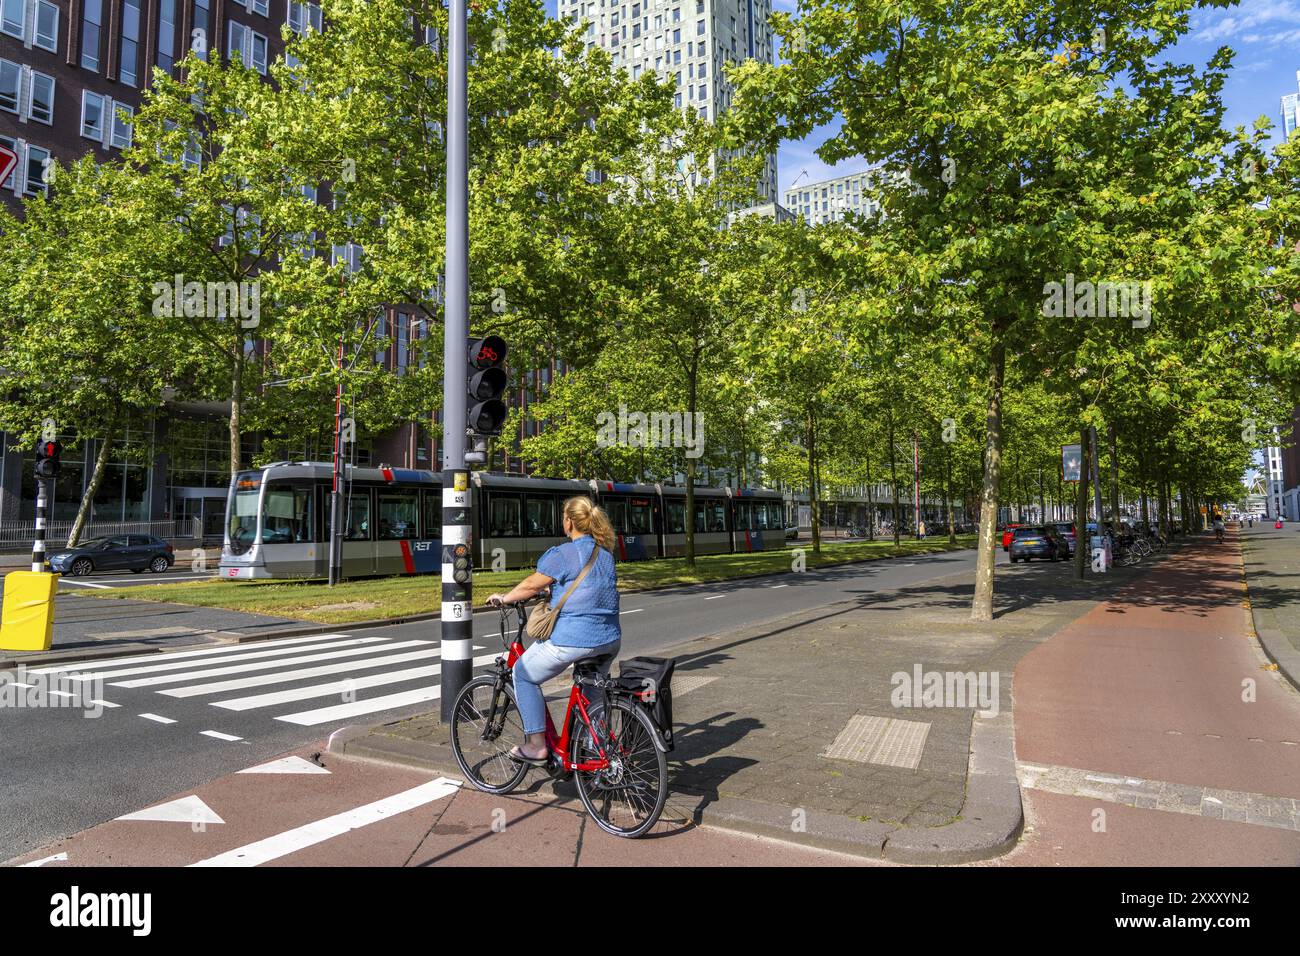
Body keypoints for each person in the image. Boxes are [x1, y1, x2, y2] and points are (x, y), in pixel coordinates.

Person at [485, 496, 621, 766]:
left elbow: (529, 585)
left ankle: (536, 746)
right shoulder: (604, 554)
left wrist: (505, 597)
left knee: (523, 673)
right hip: (609, 640)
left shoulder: (563, 554)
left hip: (574, 640)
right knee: (592, 696)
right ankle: (598, 756)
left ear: (569, 522)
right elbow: (589, 588)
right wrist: (554, 590)